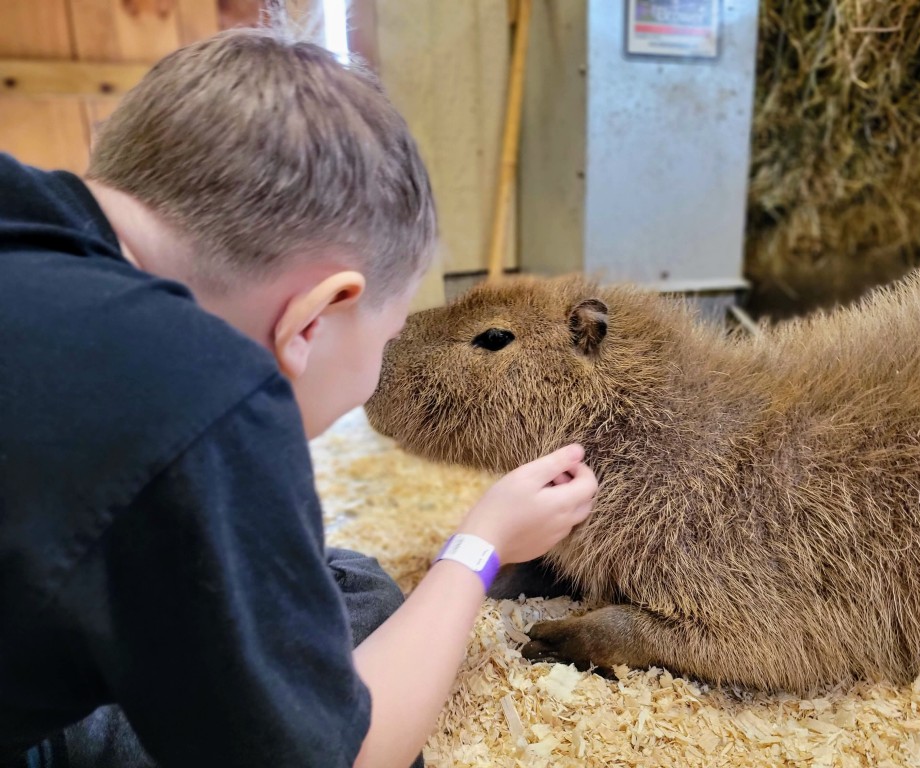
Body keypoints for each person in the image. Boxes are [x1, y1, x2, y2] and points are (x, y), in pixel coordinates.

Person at [0, 24, 597, 768]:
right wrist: (479, 548)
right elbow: (338, 756)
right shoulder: (201, 392)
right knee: (369, 614)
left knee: (345, 587)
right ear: (315, 316)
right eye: (388, 340)